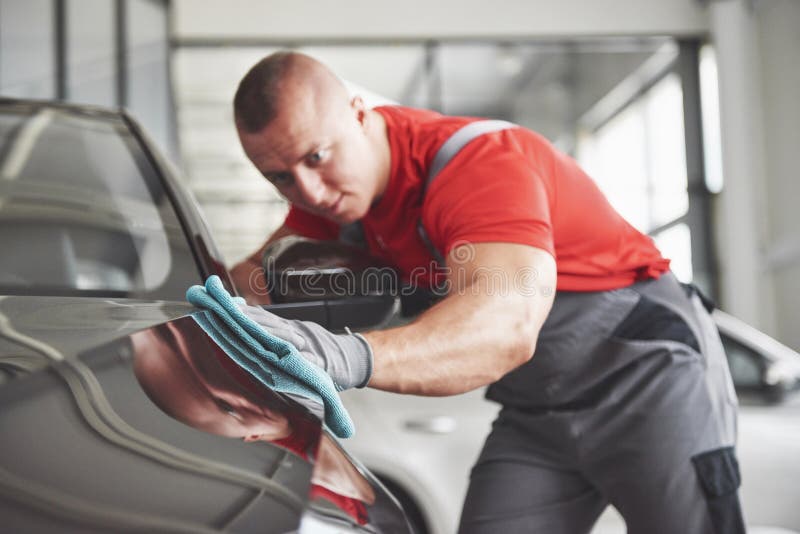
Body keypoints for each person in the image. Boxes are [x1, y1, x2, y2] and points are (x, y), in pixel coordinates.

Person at [227, 51, 744, 534]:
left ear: (360, 113)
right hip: (537, 409)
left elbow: (505, 327)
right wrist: (213, 314)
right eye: (281, 177)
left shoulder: (478, 164)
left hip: (646, 384)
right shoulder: (336, 200)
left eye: (317, 157)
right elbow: (248, 281)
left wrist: (338, 355)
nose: (309, 191)